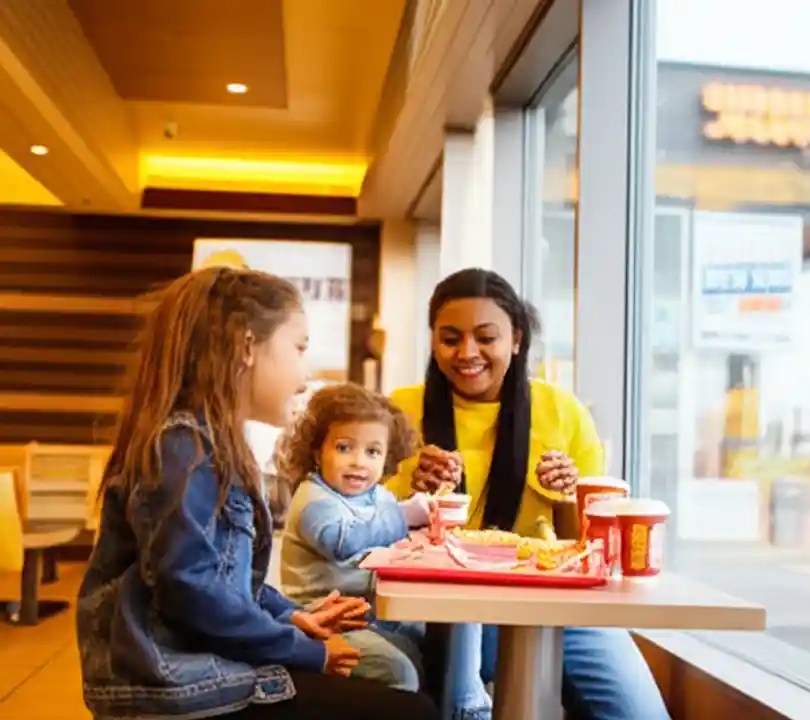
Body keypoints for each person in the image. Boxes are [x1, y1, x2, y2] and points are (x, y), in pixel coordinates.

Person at [77, 267, 438, 719]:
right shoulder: (186, 449)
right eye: (299, 348)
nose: (305, 377)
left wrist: (289, 616)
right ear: (247, 347)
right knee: (414, 711)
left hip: (190, 669)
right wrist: (301, 649)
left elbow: (227, 580)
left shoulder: (204, 444)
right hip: (172, 683)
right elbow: (190, 592)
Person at [388, 267, 669, 720]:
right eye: (450, 338)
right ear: (433, 341)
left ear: (516, 339)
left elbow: (590, 547)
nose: (467, 353)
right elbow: (355, 525)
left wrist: (565, 498)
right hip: (435, 609)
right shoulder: (399, 410)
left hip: (553, 605)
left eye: (486, 337)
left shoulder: (561, 411)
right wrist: (406, 493)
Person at [276, 382, 457, 705]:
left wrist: (414, 519)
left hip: (368, 615)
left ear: (387, 458)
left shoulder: (374, 494)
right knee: (400, 671)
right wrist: (405, 516)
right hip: (323, 622)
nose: (359, 462)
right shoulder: (314, 500)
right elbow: (345, 540)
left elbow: (387, 530)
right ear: (317, 451)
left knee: (431, 649)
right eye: (344, 448)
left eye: (372, 452)